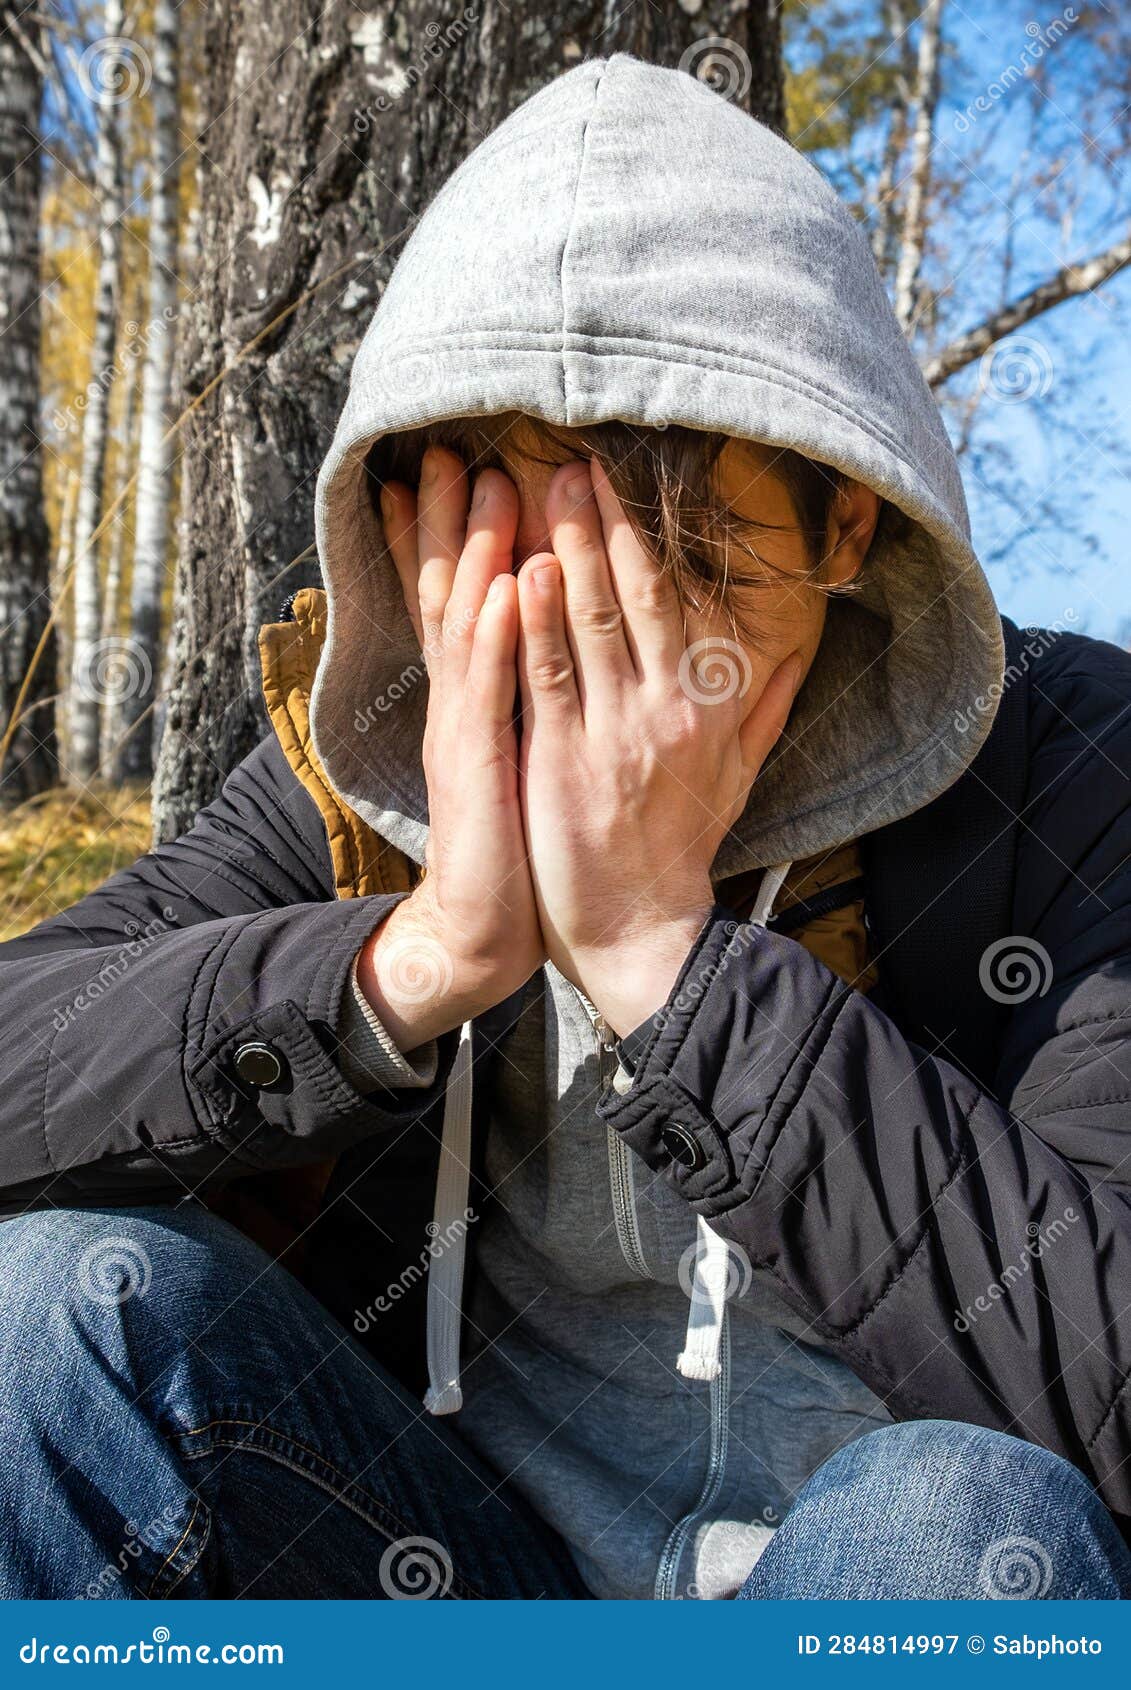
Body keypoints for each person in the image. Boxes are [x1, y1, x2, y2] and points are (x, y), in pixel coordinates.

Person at [1, 53, 1130, 1602]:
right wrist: (411, 961)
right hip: (449, 1578)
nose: (601, 670)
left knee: (957, 1522)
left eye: (683, 564)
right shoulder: (369, 776)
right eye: (525, 572)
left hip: (858, 1587)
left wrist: (672, 962)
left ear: (848, 516)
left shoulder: (1064, 763)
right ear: (415, 539)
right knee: (51, 1316)